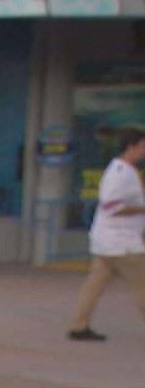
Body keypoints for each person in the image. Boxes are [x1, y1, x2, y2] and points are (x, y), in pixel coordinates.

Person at [65, 127, 145, 340]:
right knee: (142, 286)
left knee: (95, 284)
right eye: (143, 146)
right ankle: (78, 325)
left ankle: (78, 325)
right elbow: (111, 206)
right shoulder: (119, 172)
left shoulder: (126, 170)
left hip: (110, 242)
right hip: (121, 243)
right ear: (132, 146)